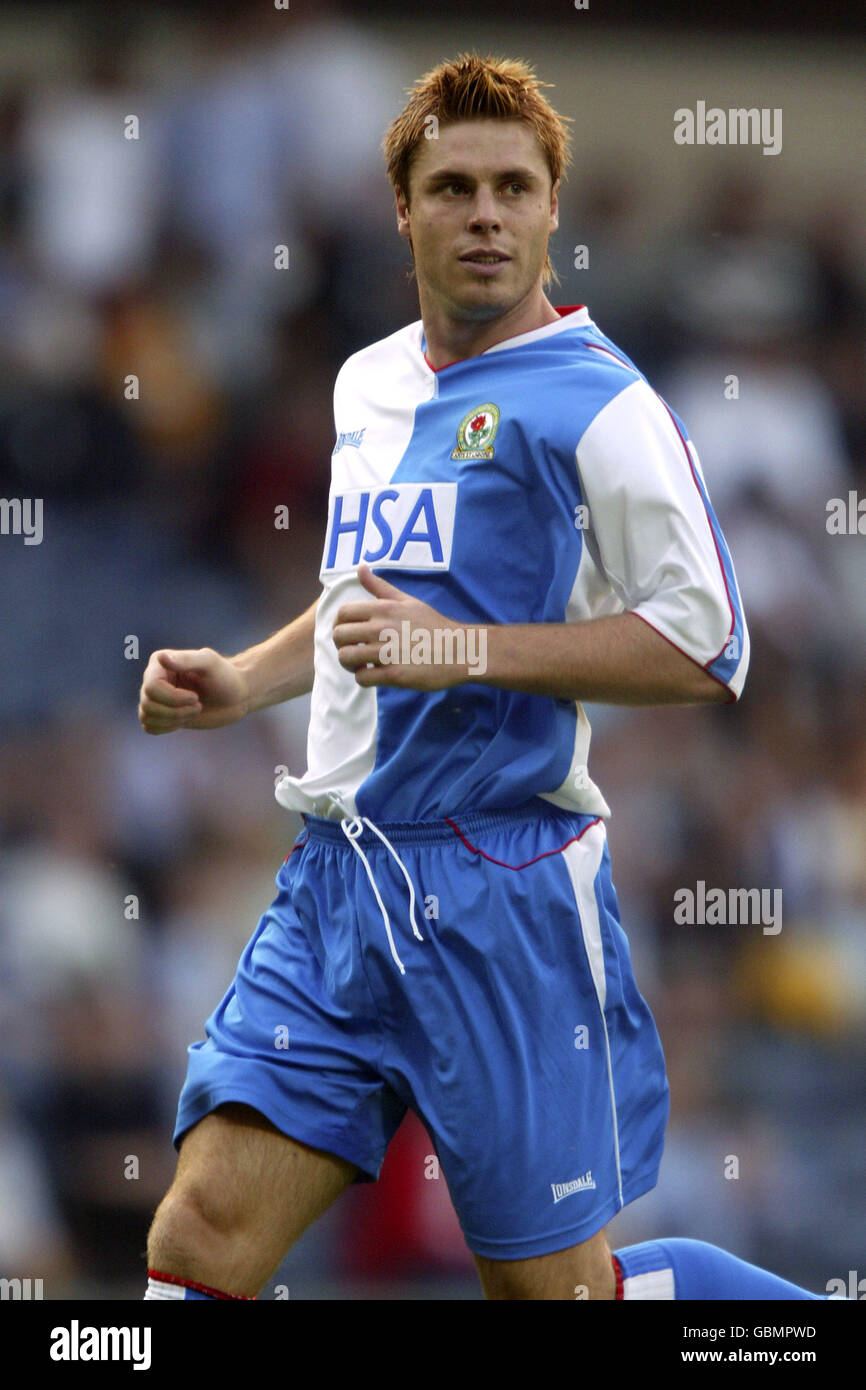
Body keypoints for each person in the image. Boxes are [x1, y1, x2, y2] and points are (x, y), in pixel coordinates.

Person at [138, 54, 827, 1301]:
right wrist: (243, 680)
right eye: (452, 187)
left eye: (514, 186)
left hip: (500, 888)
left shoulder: (600, 404)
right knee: (199, 1238)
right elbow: (366, 601)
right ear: (401, 209)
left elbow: (707, 643)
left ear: (552, 206)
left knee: (559, 1296)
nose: (486, 214)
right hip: (340, 882)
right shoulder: (367, 382)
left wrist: (461, 651)